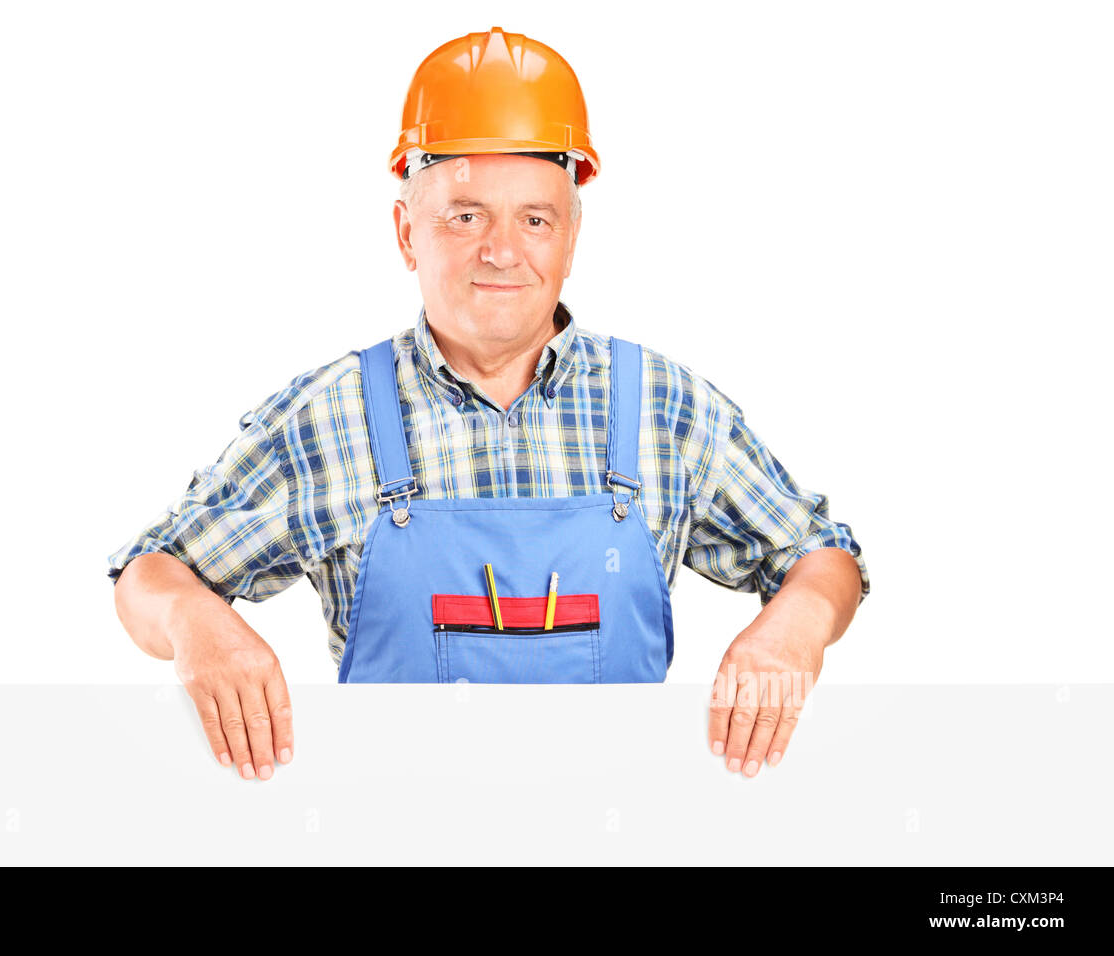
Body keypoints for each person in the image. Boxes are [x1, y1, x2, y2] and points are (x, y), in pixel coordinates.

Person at [107, 26, 871, 783]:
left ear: (571, 236)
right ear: (407, 231)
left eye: (534, 219)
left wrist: (795, 629)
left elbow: (821, 555)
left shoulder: (666, 411)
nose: (502, 250)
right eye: (465, 214)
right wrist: (194, 623)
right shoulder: (327, 419)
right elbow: (151, 574)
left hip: (619, 838)